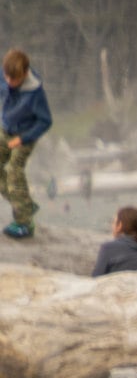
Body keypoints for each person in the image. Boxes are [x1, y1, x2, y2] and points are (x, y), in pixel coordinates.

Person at [1, 49, 50, 240]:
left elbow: (45, 121)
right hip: (6, 129)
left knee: (14, 171)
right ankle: (25, 205)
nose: (10, 83)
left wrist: (23, 139)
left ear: (24, 74)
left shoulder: (34, 92)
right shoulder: (5, 76)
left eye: (15, 80)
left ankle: (24, 223)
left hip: (25, 135)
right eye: (7, 78)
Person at [90, 206, 137, 277]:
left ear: (119, 225)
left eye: (114, 222)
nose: (112, 226)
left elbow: (96, 280)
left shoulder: (108, 248)